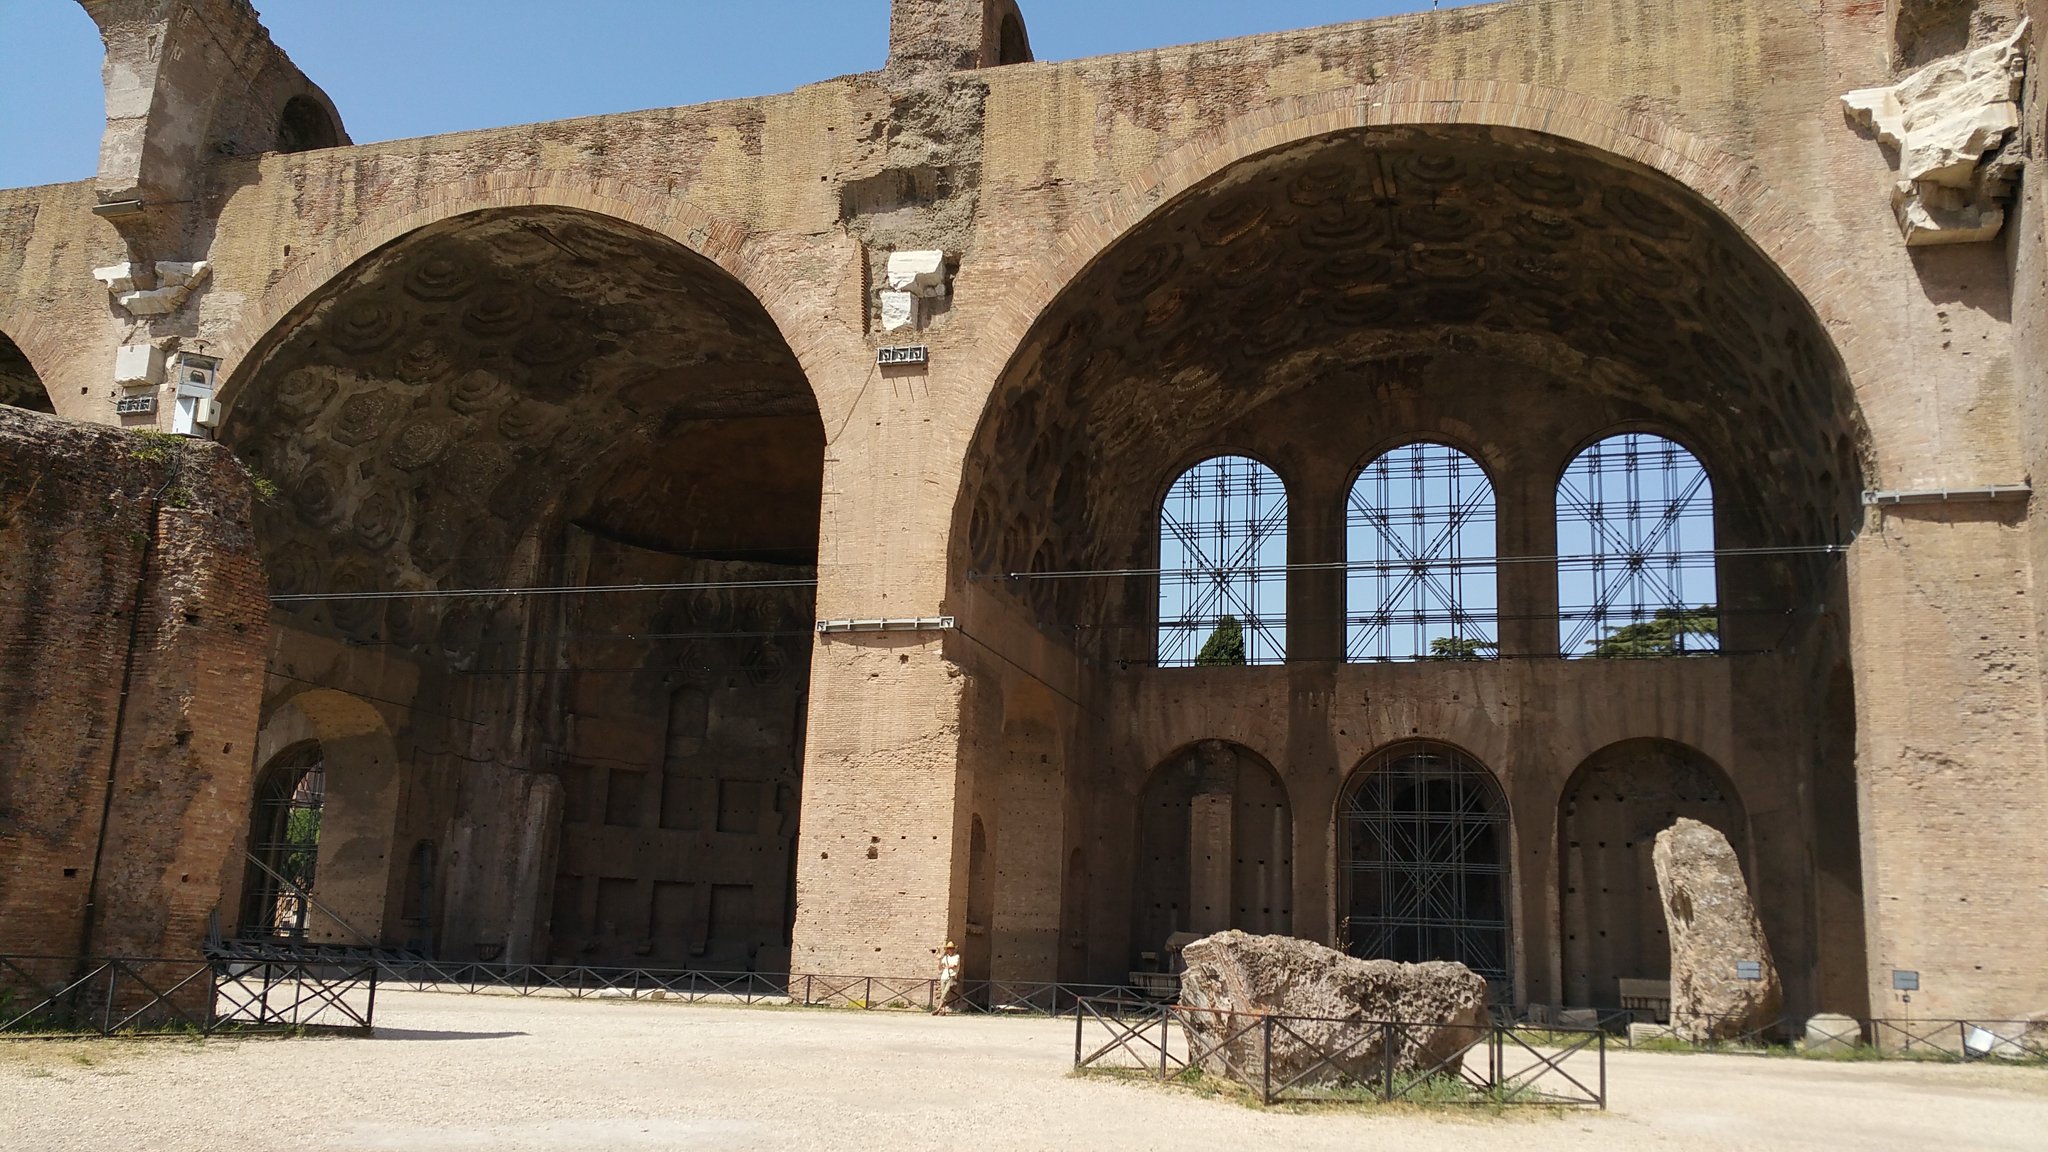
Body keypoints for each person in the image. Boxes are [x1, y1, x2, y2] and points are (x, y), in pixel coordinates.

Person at [934, 940, 962, 1015]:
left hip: (951, 977)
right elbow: (940, 968)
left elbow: (954, 965)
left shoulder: (957, 956)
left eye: (951, 948)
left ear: (954, 949)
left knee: (945, 993)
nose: (950, 950)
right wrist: (939, 960)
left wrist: (946, 967)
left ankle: (938, 1008)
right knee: (943, 993)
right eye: (949, 948)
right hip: (944, 977)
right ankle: (943, 1010)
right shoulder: (945, 957)